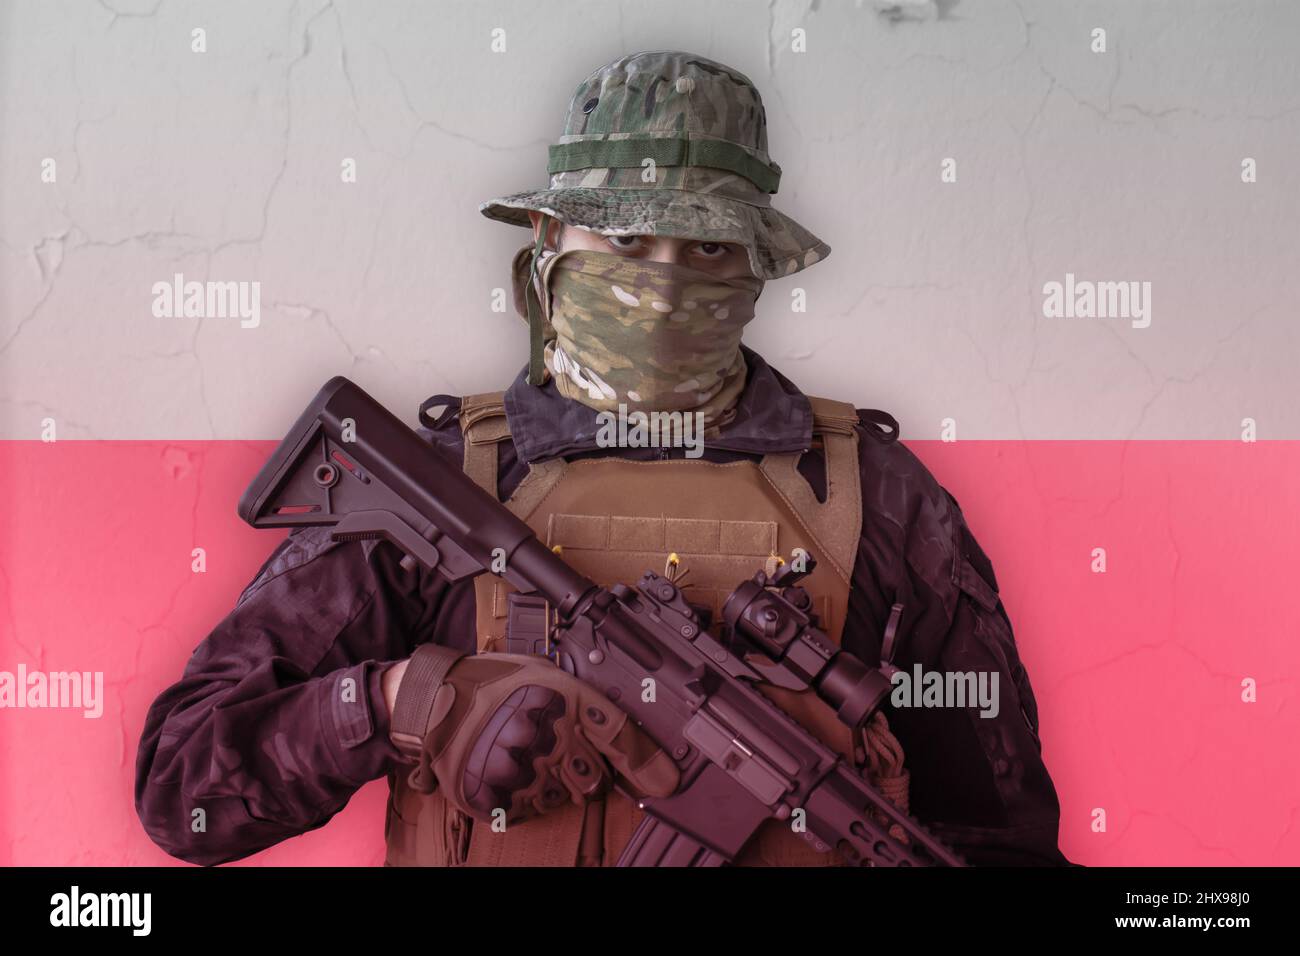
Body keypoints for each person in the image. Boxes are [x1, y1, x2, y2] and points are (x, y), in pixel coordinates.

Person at [135, 50, 1068, 867]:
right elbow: (186, 789)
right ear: (549, 247)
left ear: (754, 266)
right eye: (624, 239)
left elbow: (997, 834)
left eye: (708, 245)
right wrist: (398, 702)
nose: (663, 282)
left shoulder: (878, 497)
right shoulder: (446, 483)